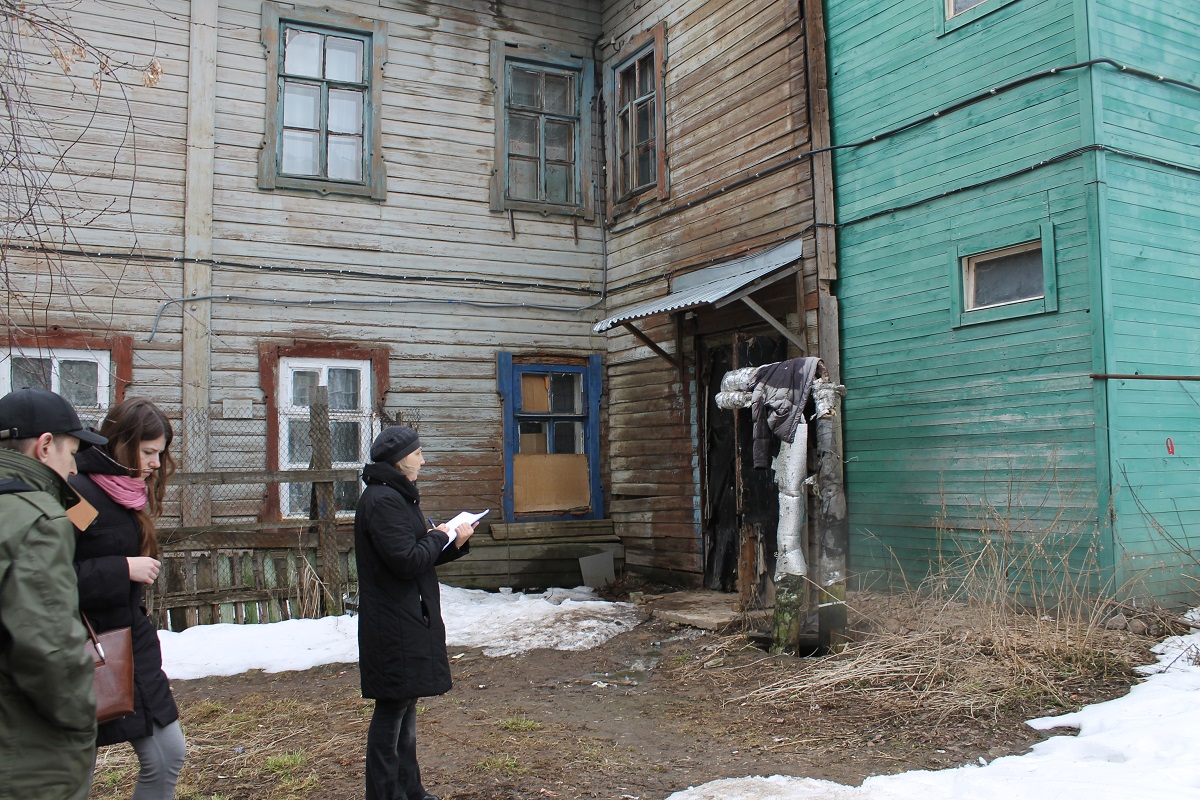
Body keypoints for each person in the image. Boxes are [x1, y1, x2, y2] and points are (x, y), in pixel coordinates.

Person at [71, 398, 185, 800]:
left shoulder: (128, 492)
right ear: (121, 443)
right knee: (71, 776)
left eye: (161, 453)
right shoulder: (78, 496)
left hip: (131, 645)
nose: (157, 463)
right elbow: (52, 576)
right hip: (87, 649)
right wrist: (124, 568)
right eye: (149, 451)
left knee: (169, 755)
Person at [355, 425, 475, 800]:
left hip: (406, 617)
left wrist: (453, 542)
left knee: (405, 710)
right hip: (391, 623)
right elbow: (406, 561)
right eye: (418, 452)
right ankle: (386, 794)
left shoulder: (398, 498)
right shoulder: (382, 501)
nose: (423, 459)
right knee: (392, 713)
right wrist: (439, 535)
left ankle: (411, 790)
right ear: (401, 458)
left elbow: (417, 557)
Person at [0, 388, 107, 800]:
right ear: (45, 446)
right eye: (72, 452)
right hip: (24, 752)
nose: (76, 469)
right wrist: (81, 719)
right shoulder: (37, 519)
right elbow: (49, 650)